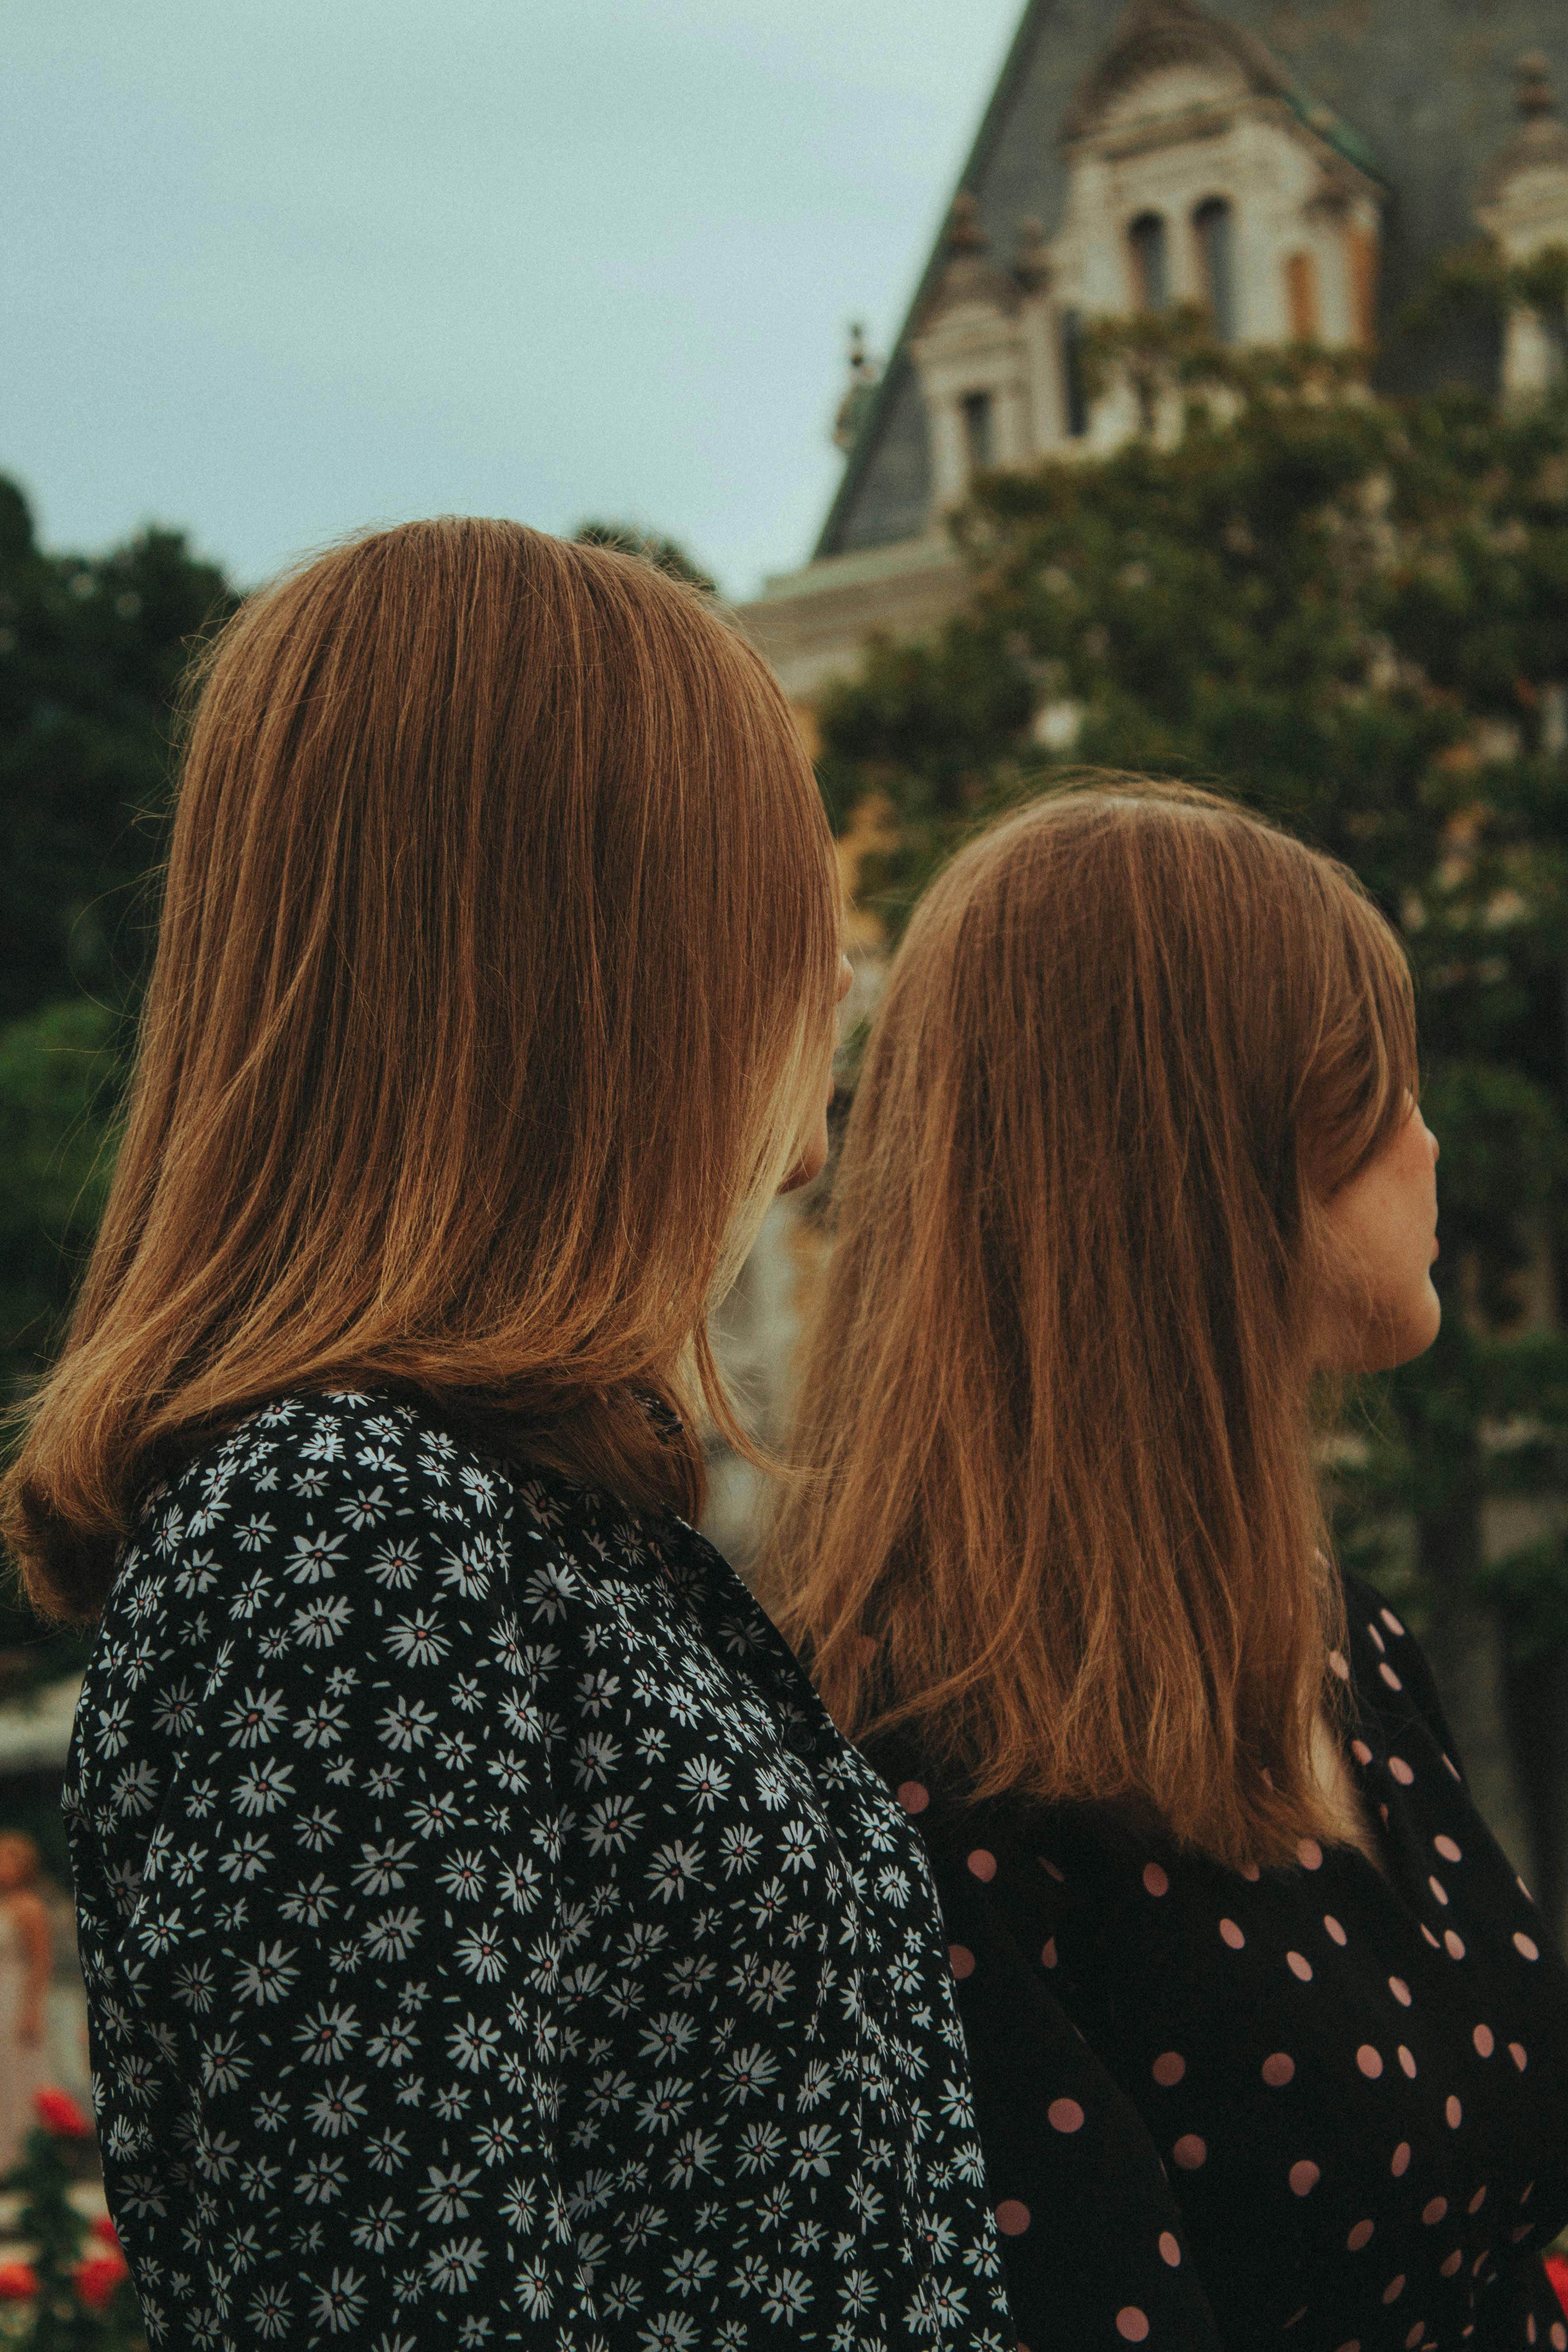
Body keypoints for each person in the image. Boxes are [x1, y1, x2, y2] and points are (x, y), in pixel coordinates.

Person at [0, 519, 1014, 2351]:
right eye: (785, 908)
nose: (844, 977)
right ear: (601, 964)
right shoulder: (349, 1537)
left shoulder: (504, 1521)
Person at [765, 782, 1568, 2352]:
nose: (1425, 1139)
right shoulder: (925, 1770)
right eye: (1375, 1085)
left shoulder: (1339, 1647)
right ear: (1208, 1156)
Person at [0, 1830, 52, 2176]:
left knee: (16, 2076)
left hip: (13, 1995)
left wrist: (32, 2012)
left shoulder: (29, 1907)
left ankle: (20, 2163)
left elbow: (40, 1962)